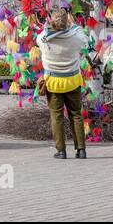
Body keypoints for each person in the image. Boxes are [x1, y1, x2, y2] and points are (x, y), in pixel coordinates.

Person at [38, 8, 88, 160]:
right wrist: (72, 24)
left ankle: (61, 150)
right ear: (67, 22)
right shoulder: (76, 38)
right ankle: (81, 150)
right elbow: (84, 38)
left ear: (52, 22)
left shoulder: (43, 39)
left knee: (56, 116)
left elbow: (42, 33)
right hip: (72, 80)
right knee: (76, 115)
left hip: (53, 82)